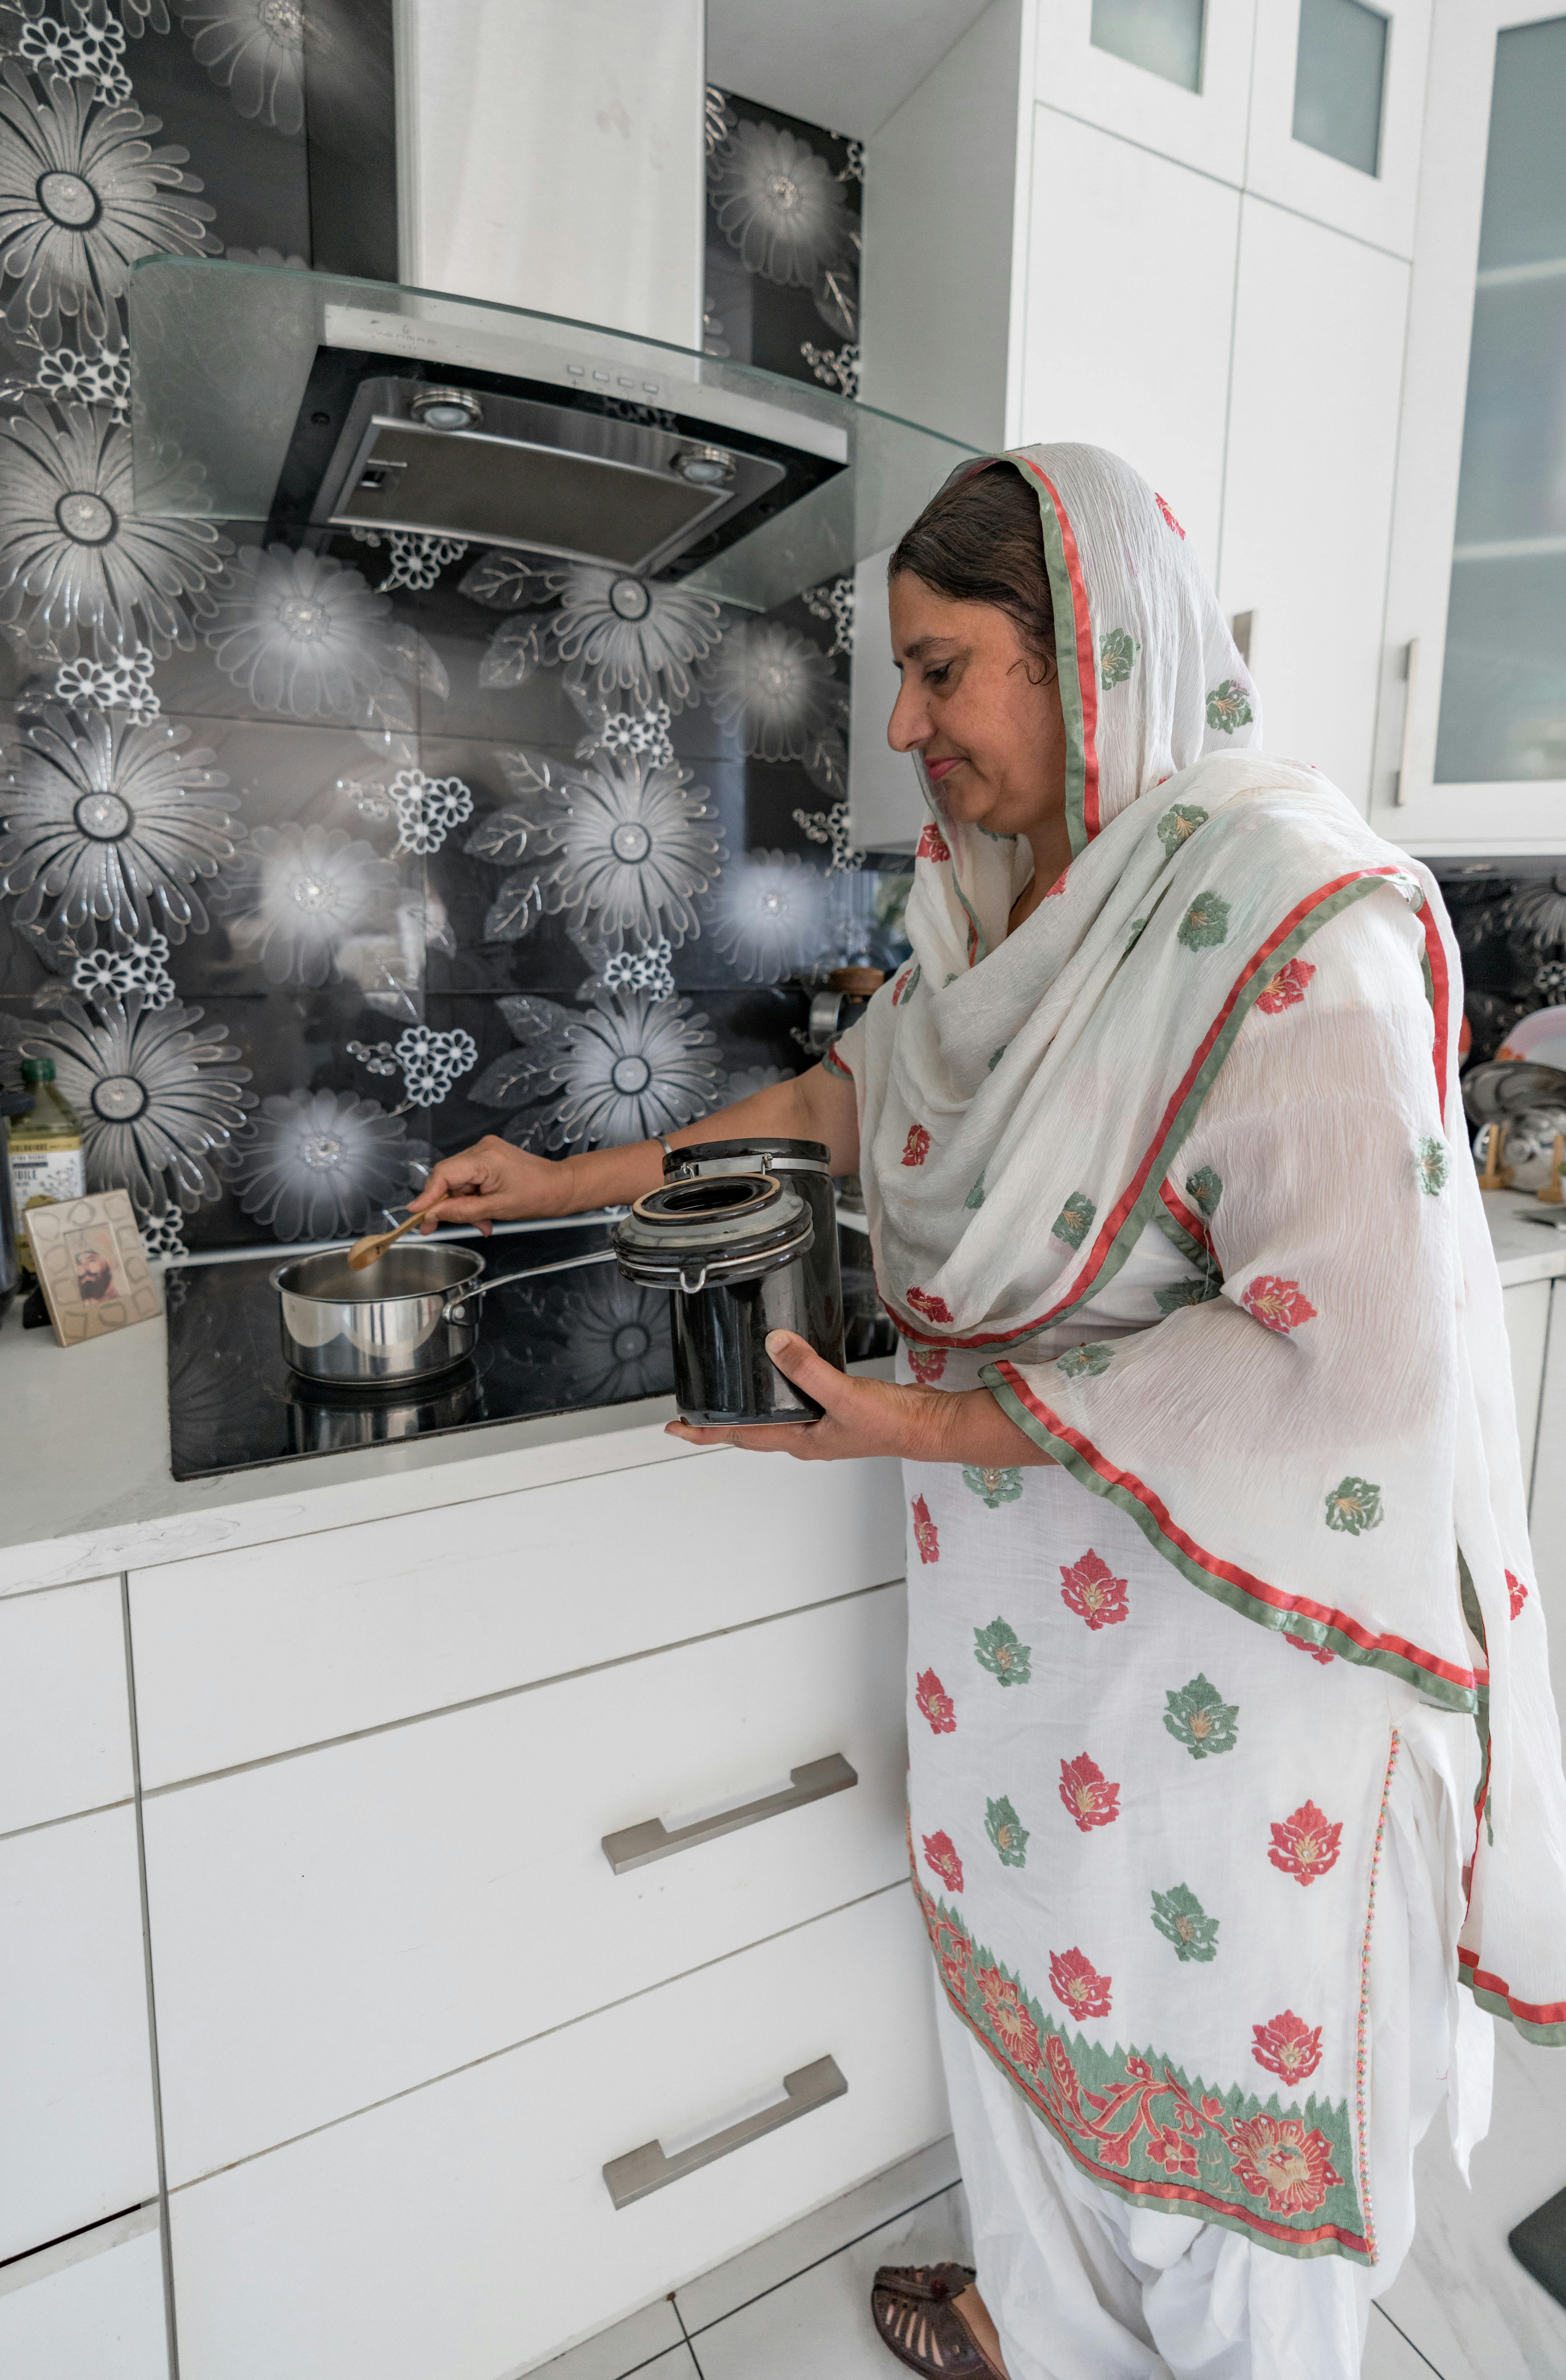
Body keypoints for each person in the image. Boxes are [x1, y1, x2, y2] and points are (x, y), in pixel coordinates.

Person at [407, 446, 1566, 2380]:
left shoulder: (1290, 914)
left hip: (1244, 1678)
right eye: (904, 673)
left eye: (943, 669)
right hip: (1027, 1653)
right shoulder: (988, 913)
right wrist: (573, 1174)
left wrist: (916, 1429)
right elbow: (843, 1107)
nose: (906, 723)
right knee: (1037, 2031)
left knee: (1227, 2138)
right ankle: (1046, 2331)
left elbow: (1346, 1359)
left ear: (1089, 656)